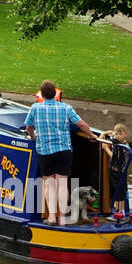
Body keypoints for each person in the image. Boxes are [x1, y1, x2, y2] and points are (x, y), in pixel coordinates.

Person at [23, 79, 93, 225]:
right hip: (63, 150)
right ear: (55, 93)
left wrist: (33, 137)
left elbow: (28, 127)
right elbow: (81, 124)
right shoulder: (66, 108)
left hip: (45, 150)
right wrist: (92, 135)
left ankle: (52, 217)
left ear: (41, 94)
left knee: (49, 184)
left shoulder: (35, 108)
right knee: (62, 184)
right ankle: (62, 218)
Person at [98, 123, 131, 217]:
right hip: (114, 170)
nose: (117, 136)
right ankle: (117, 208)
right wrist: (105, 133)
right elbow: (111, 133)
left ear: (125, 135)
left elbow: (115, 158)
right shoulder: (116, 140)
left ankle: (121, 211)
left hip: (120, 171)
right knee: (116, 189)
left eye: (120, 134)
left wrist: (106, 149)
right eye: (116, 134)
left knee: (121, 191)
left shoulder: (123, 147)